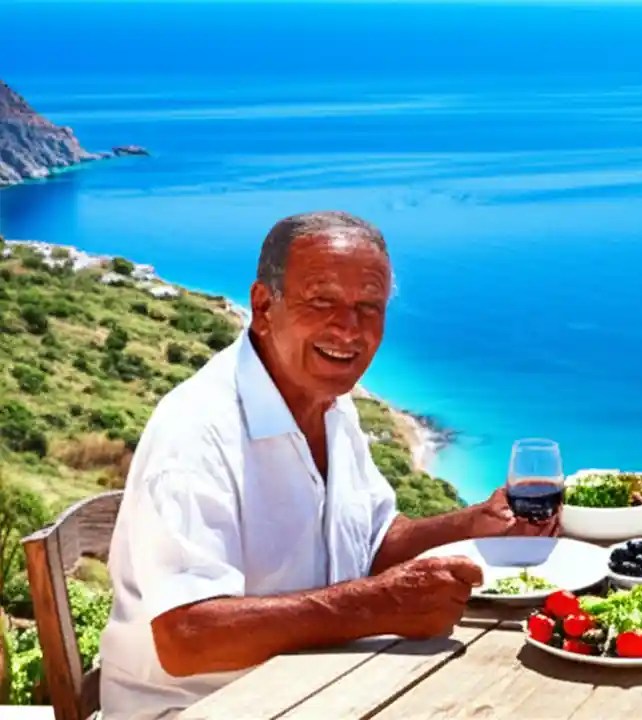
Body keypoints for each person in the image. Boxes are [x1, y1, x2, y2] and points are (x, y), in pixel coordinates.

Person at [99, 211, 556, 720]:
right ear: (263, 305)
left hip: (321, 689)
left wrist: (473, 524)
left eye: (369, 307)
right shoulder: (197, 432)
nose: (349, 328)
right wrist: (375, 607)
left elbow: (372, 542)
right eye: (322, 301)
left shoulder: (331, 403)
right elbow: (186, 640)